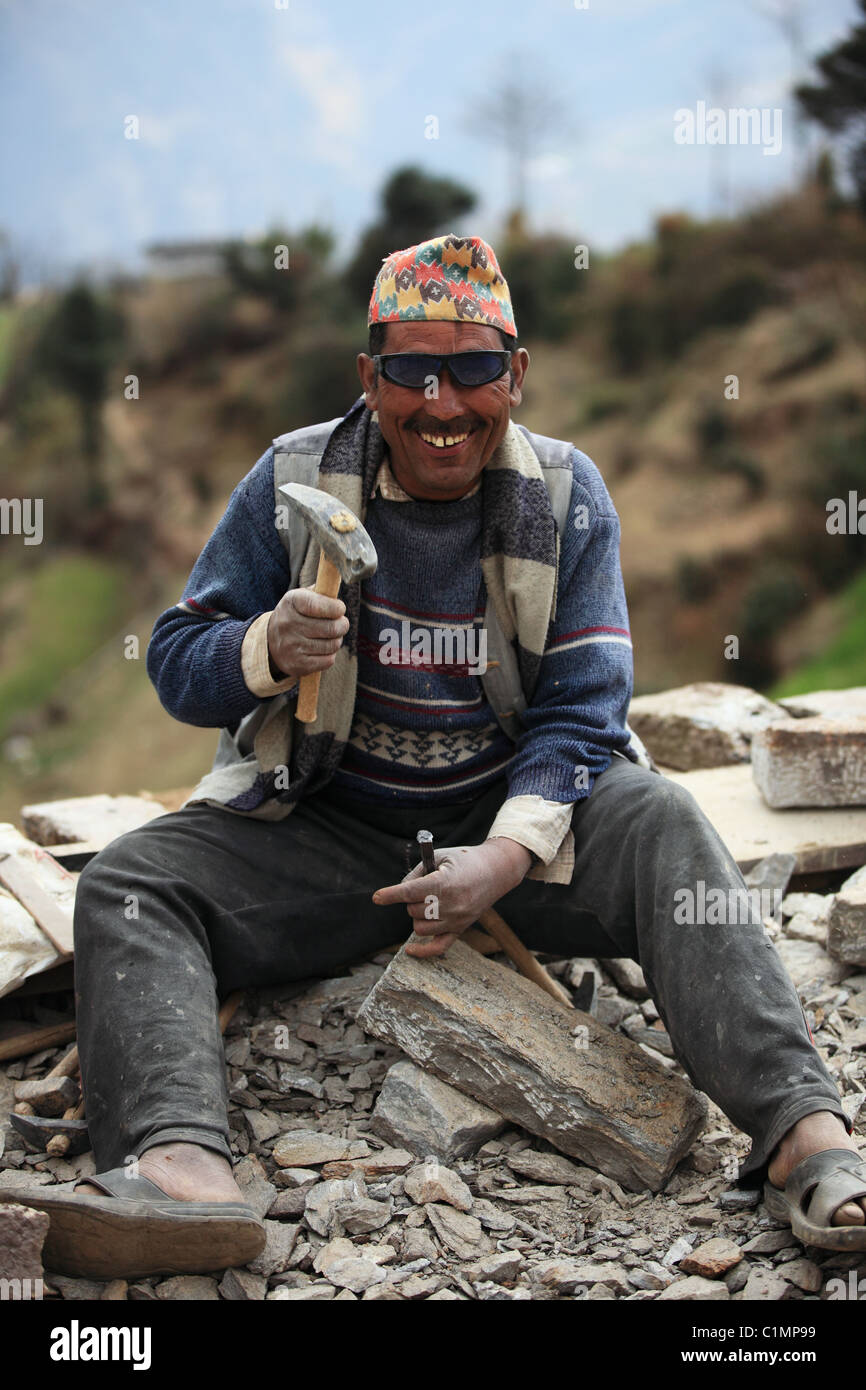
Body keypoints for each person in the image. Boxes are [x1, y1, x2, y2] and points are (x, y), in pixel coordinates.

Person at [5, 233, 864, 1280]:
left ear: (515, 374)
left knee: (663, 823)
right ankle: (184, 1173)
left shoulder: (563, 494)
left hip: (512, 823)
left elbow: (584, 711)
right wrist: (265, 648)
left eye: (471, 370)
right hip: (323, 823)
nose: (442, 405)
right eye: (411, 371)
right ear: (370, 377)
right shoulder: (291, 479)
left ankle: (803, 1139)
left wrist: (500, 860)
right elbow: (178, 666)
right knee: (134, 884)